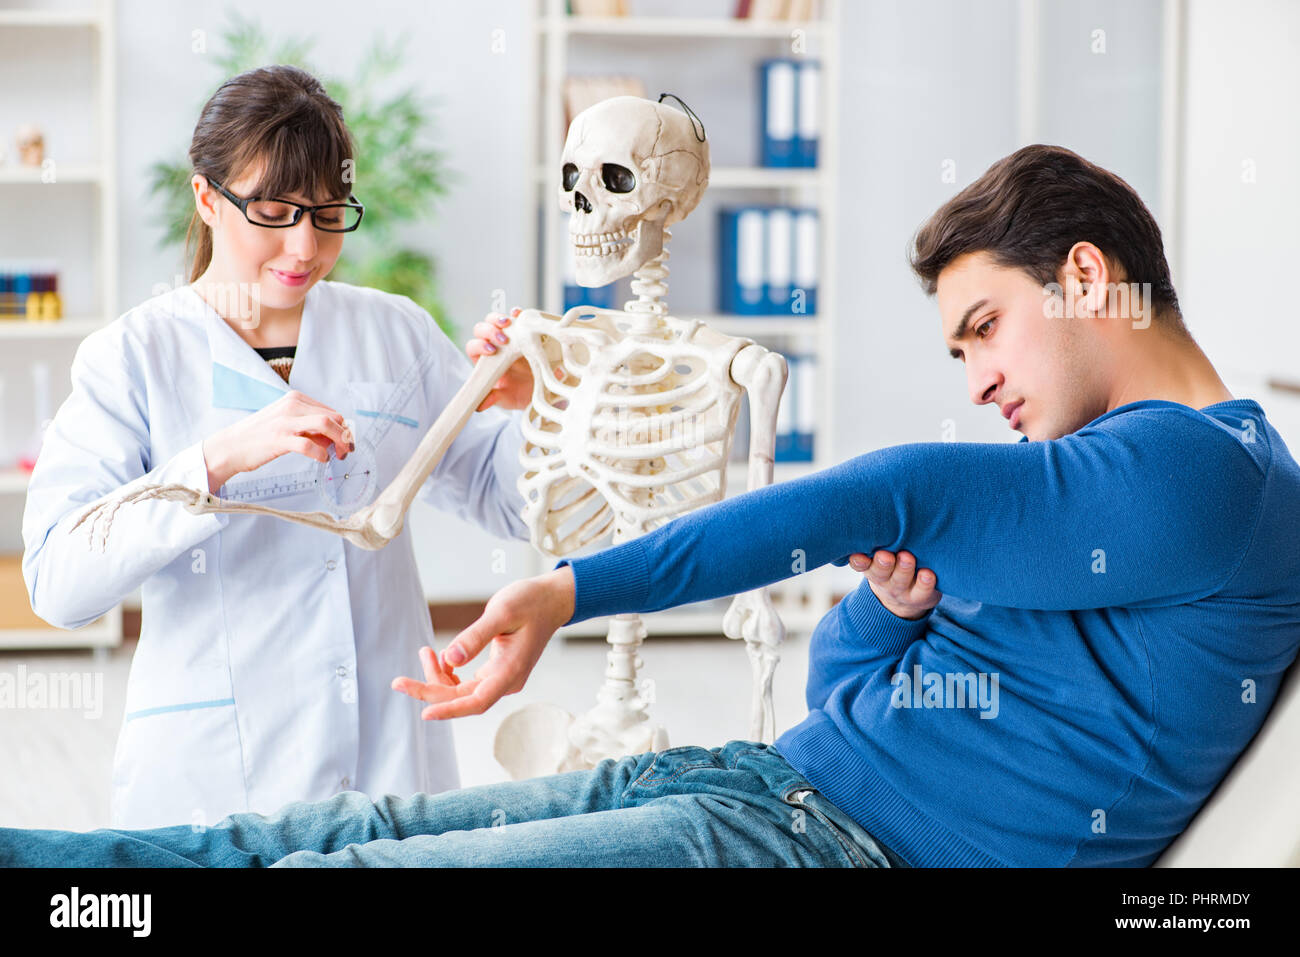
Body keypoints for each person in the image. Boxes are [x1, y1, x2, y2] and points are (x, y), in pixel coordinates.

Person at [7, 144, 1298, 867]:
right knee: (339, 831)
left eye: (984, 331)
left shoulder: (1211, 473)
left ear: (1086, 276)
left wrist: (571, 593)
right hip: (759, 787)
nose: (981, 381)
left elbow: (901, 485)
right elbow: (845, 680)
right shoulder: (1118, 498)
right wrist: (896, 612)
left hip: (814, 852)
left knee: (357, 871)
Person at [19, 65, 533, 831]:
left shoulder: (394, 333)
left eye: (328, 214)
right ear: (206, 197)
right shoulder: (135, 356)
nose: (306, 245)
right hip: (217, 779)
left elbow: (512, 502)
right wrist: (215, 461)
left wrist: (538, 404)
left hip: (391, 766)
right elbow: (58, 582)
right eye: (273, 211)